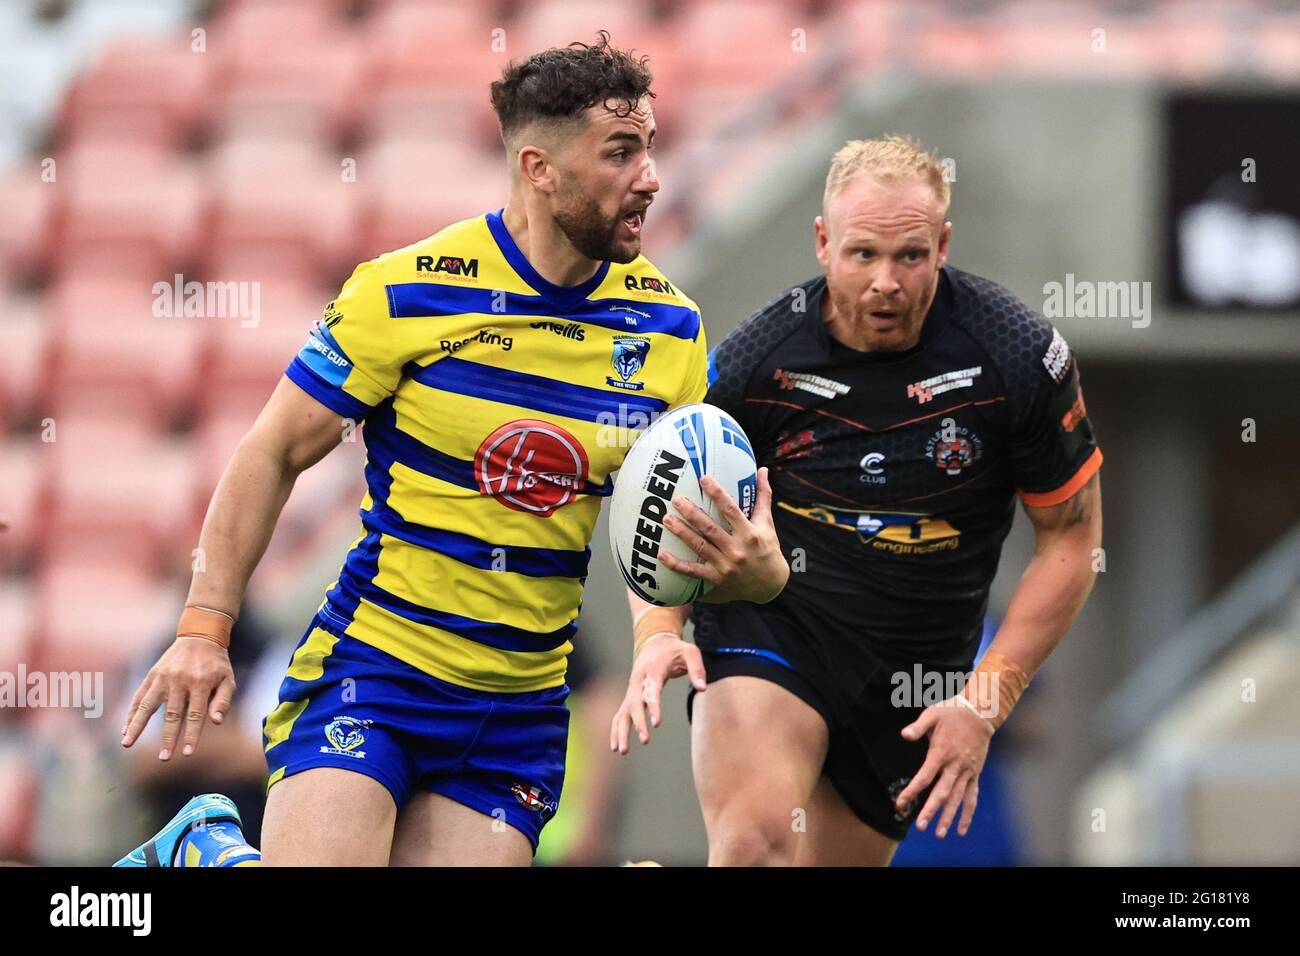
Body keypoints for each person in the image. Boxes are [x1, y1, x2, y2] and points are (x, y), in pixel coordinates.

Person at [116, 34, 781, 868]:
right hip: (377, 670)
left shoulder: (670, 328)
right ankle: (206, 848)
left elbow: (661, 520)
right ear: (539, 167)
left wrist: (656, 634)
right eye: (621, 153)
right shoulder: (406, 290)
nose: (650, 175)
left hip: (517, 708)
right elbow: (273, 450)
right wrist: (204, 630)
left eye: (650, 148)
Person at [611, 136, 1103, 866]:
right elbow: (663, 494)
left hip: (913, 669)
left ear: (942, 244)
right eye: (861, 255)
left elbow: (1072, 543)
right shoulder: (758, 359)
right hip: (775, 622)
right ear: (821, 242)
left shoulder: (1016, 356)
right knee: (753, 846)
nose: (886, 283)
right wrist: (657, 632)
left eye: (909, 256)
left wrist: (986, 700)